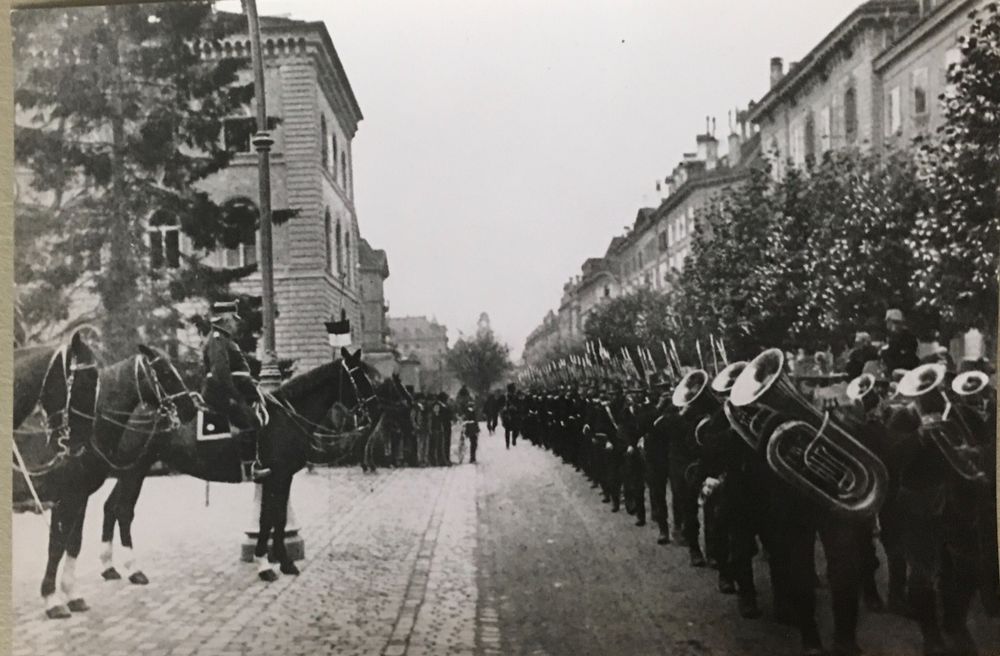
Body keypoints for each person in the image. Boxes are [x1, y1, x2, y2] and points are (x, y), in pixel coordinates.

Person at [201, 301, 270, 481]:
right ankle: (250, 468)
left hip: (226, 389)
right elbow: (221, 372)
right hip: (219, 392)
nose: (236, 324)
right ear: (225, 319)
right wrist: (234, 396)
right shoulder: (217, 339)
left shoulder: (224, 339)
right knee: (250, 420)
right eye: (233, 320)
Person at [881, 309, 919, 374]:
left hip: (903, 371)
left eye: (888, 321)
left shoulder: (907, 337)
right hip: (895, 370)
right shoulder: (890, 336)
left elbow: (908, 357)